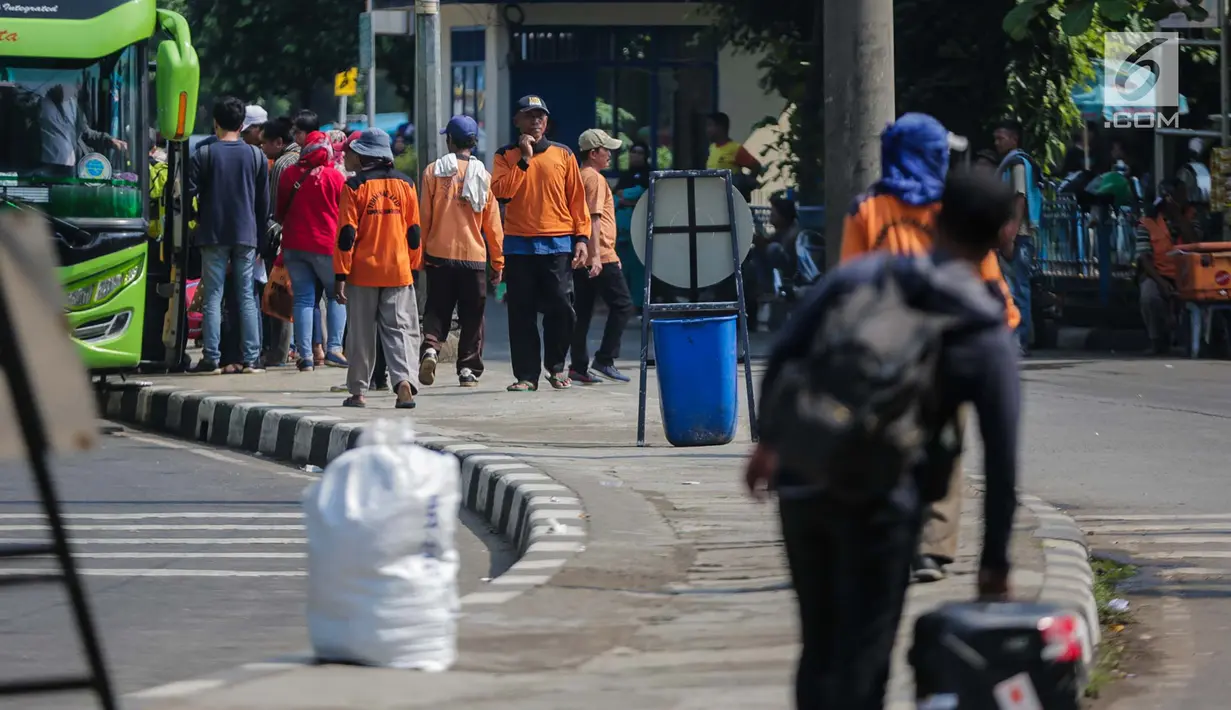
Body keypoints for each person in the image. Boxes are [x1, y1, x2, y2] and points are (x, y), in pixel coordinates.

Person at [747, 169, 1020, 710]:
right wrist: (994, 563)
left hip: (804, 482)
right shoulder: (983, 328)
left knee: (819, 646)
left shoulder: (864, 276)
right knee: (863, 656)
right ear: (1002, 237)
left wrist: (769, 444)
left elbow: (784, 353)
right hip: (884, 500)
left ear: (936, 220)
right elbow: (1003, 457)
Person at [839, 113, 1019, 585]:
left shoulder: (866, 210)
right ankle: (933, 549)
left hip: (886, 350)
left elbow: (850, 285)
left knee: (888, 447)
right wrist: (1002, 325)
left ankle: (892, 541)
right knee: (947, 447)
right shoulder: (953, 208)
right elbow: (987, 280)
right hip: (951, 346)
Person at [491, 95, 591, 392]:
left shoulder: (564, 154)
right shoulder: (505, 155)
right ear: (517, 121)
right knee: (521, 313)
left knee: (562, 308)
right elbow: (501, 194)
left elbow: (577, 200)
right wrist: (523, 158)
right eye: (529, 115)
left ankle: (557, 367)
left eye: (540, 116)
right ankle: (526, 375)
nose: (536, 121)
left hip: (557, 243)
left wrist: (583, 238)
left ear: (547, 122)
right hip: (519, 246)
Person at [334, 128, 422, 409]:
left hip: (363, 272)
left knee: (361, 335)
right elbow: (414, 233)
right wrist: (414, 267)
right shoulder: (406, 184)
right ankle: (404, 381)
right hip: (398, 270)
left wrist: (340, 274)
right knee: (401, 330)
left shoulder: (354, 186)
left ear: (363, 155)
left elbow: (347, 235)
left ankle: (359, 392)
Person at [417, 115, 505, 388]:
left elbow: (424, 217)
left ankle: (431, 348)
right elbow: (493, 226)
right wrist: (498, 263)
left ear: (449, 141)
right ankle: (467, 370)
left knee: (437, 308)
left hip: (439, 254)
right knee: (473, 316)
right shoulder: (485, 177)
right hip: (473, 258)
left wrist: (420, 253)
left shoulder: (433, 172)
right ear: (473, 143)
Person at [187, 96, 270, 374]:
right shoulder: (257, 156)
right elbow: (263, 203)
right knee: (246, 294)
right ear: (242, 124)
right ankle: (251, 358)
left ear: (215, 123)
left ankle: (211, 357)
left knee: (213, 295)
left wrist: (196, 220)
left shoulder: (203, 154)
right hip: (246, 234)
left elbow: (186, 196)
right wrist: (260, 238)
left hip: (212, 233)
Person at [276, 130, 348, 372]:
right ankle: (334, 349)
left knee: (304, 299)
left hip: (294, 246)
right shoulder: (335, 178)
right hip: (326, 246)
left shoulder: (289, 174)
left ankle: (305, 356)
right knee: (337, 295)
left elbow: (279, 211)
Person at [569, 128, 635, 384]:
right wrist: (597, 255)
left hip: (583, 252)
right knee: (623, 305)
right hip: (599, 255)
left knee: (582, 311)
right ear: (594, 153)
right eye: (606, 150)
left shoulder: (579, 176)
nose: (609, 155)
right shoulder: (595, 179)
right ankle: (605, 359)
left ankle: (578, 365)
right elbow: (593, 218)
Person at [993, 119, 1041, 356]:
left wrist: (1010, 236)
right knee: (1011, 290)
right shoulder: (1011, 163)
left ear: (1014, 139)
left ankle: (1019, 341)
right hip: (1013, 236)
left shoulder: (1017, 164)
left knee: (1018, 291)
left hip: (1018, 237)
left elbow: (1019, 199)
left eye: (1001, 138)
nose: (997, 143)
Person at [1136, 179, 1196, 355]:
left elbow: (1195, 242)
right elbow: (1144, 257)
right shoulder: (1147, 222)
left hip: (1187, 273)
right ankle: (1157, 339)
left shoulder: (1191, 215)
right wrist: (1161, 282)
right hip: (1158, 273)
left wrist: (1179, 217)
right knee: (1149, 296)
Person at [705, 111, 762, 201]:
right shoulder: (712, 148)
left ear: (720, 128)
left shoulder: (735, 149)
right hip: (715, 196)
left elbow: (756, 166)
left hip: (731, 199)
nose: (707, 130)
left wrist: (745, 184)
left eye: (710, 126)